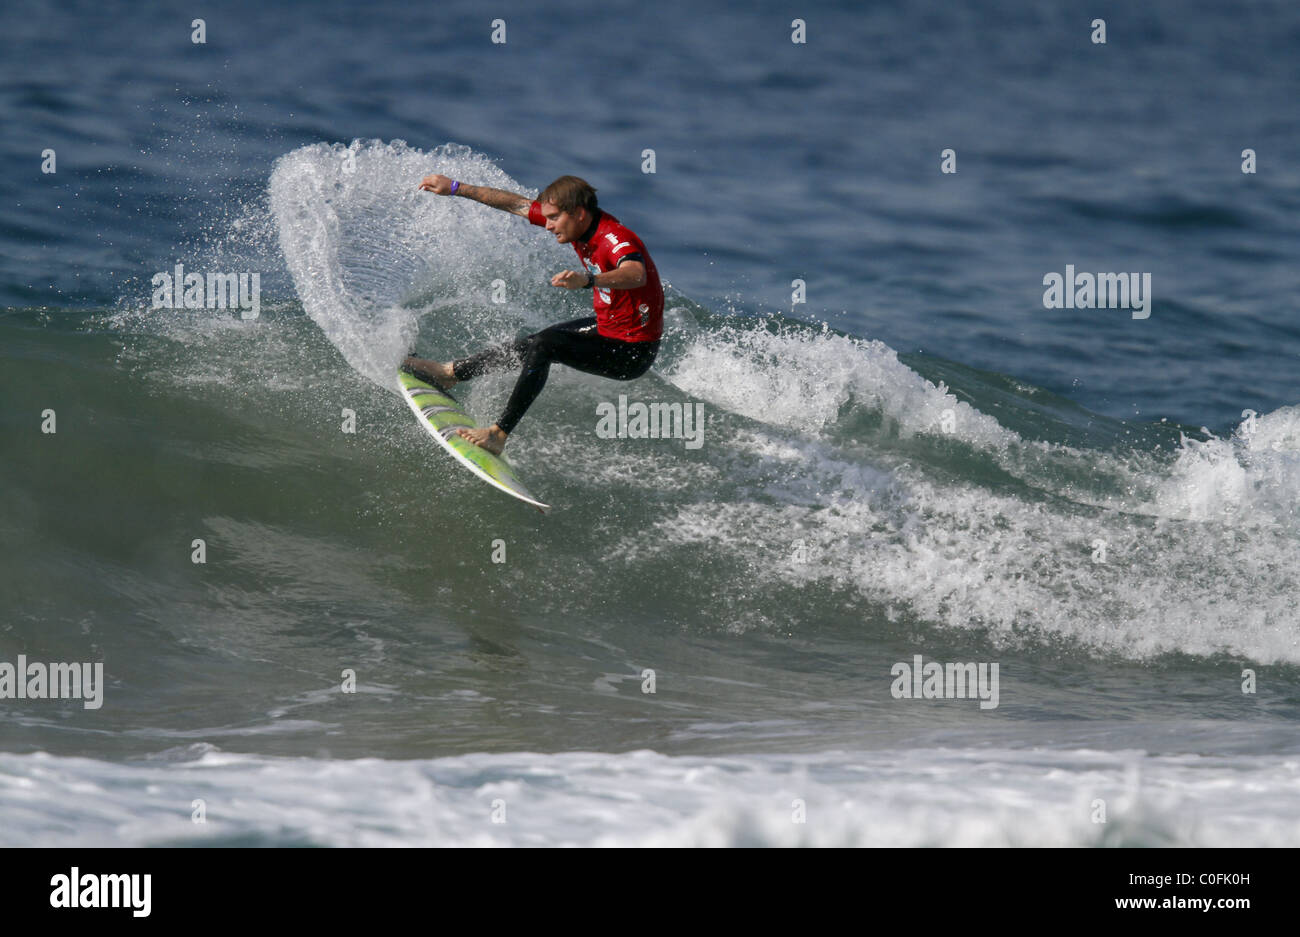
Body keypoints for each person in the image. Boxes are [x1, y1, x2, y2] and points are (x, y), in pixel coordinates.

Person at [403, 174, 663, 454]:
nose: (548, 225)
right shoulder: (578, 225)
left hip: (631, 351)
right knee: (538, 340)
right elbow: (517, 204)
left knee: (545, 345)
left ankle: (497, 434)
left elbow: (635, 274)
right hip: (608, 328)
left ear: (578, 214)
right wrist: (455, 188)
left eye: (553, 218)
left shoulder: (614, 238)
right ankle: (450, 373)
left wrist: (587, 280)